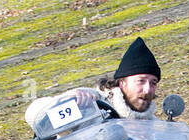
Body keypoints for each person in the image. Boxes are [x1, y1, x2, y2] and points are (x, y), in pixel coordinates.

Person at [24, 37, 162, 130]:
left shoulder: (152, 124)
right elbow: (34, 116)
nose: (147, 89)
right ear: (122, 83)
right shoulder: (92, 103)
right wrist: (64, 101)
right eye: (141, 81)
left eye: (153, 83)